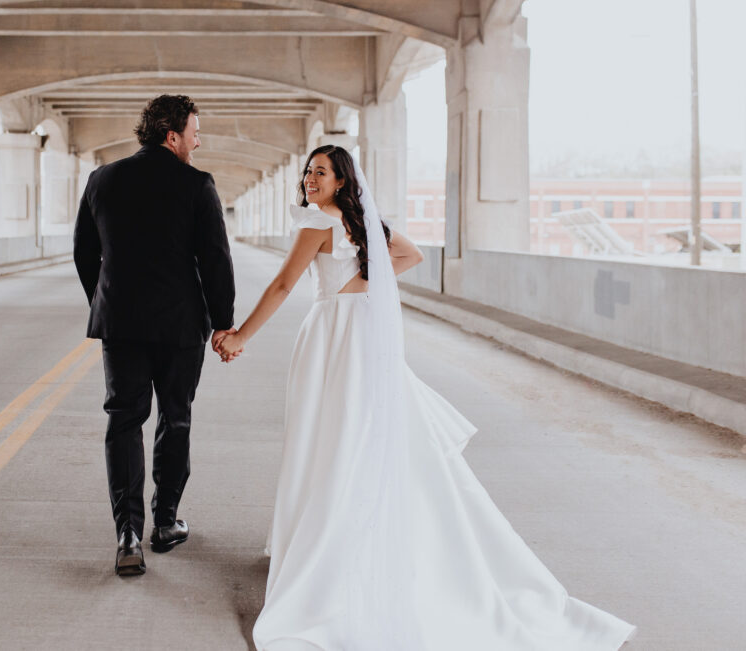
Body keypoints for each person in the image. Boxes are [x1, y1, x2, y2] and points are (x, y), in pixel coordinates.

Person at [217, 145, 636, 649]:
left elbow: (285, 284)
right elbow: (410, 255)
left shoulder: (319, 223)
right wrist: (362, 283)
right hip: (360, 335)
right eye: (308, 171)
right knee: (355, 436)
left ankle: (319, 550)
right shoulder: (359, 222)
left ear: (343, 180)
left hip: (331, 335)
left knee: (323, 437)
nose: (310, 178)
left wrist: (241, 336)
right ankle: (344, 538)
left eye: (321, 172)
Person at [74, 95, 236, 577]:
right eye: (194, 132)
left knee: (124, 420)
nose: (198, 140)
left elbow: (85, 253)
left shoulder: (101, 179)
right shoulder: (196, 184)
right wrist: (223, 322)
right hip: (180, 326)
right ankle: (164, 523)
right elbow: (215, 261)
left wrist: (105, 301)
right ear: (173, 136)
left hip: (121, 324)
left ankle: (127, 535)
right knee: (175, 418)